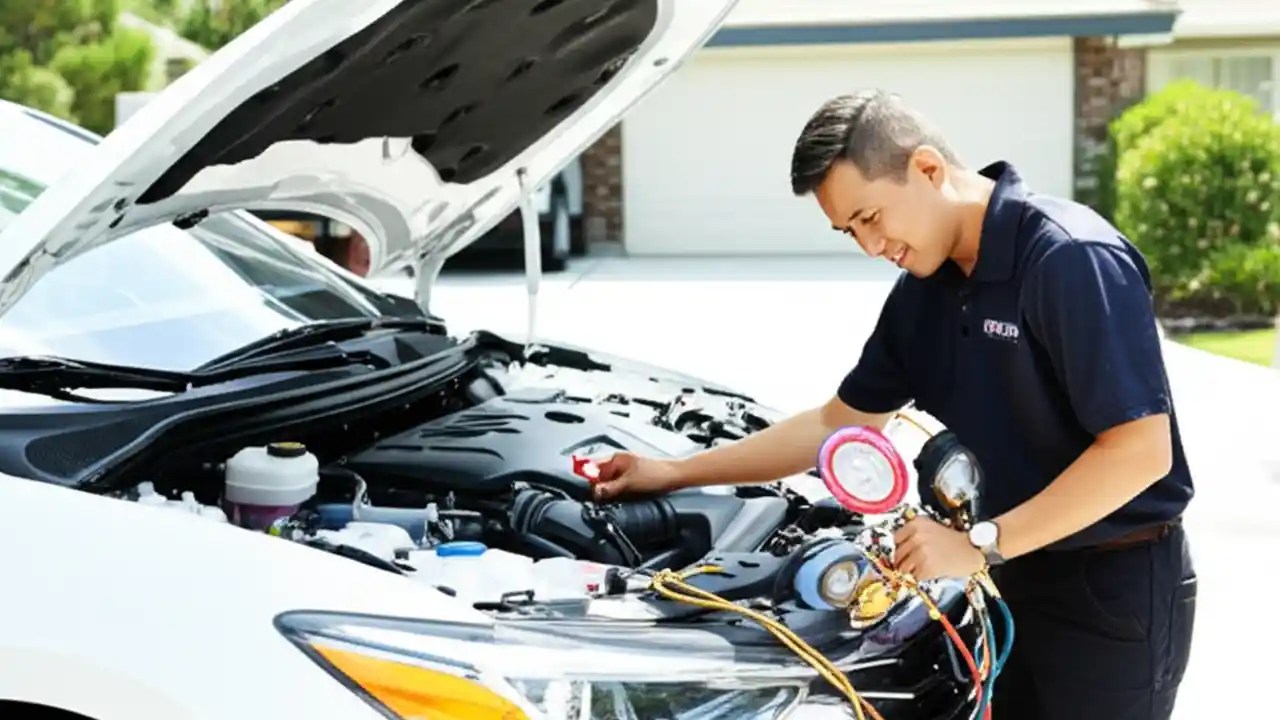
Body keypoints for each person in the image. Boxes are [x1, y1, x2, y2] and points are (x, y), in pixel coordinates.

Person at [589, 89, 1196, 719]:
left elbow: (1139, 452)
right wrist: (674, 470)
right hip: (1010, 578)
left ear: (927, 169)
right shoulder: (923, 295)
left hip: (1110, 590)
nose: (870, 247)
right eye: (849, 230)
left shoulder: (1070, 258)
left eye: (871, 217)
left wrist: (981, 543)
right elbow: (836, 425)